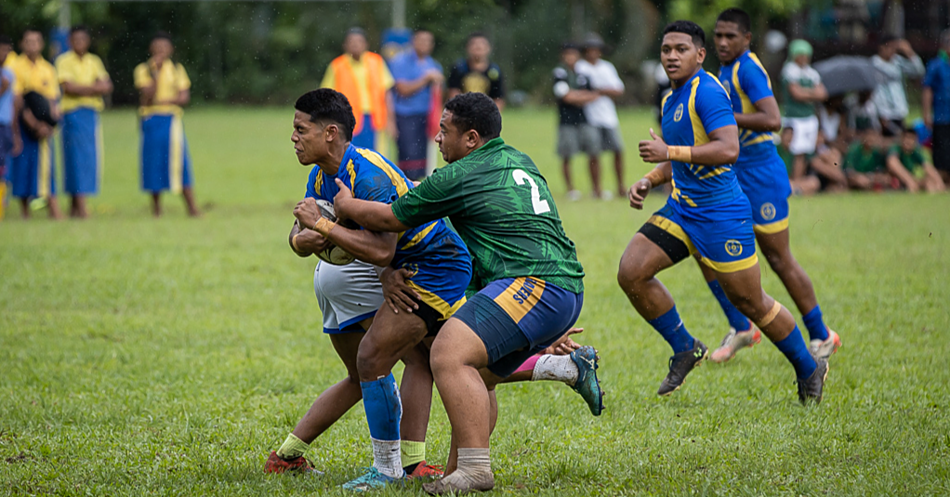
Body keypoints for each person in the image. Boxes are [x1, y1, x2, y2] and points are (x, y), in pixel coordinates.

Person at [332, 92, 589, 494]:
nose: (437, 138)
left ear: (470, 139)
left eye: (444, 131)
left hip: (532, 284)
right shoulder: (519, 160)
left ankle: (475, 471)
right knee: (478, 374)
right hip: (563, 287)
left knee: (447, 353)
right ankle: (458, 470)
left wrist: (343, 207)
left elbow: (391, 217)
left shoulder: (460, 175)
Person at [619, 21, 828, 404]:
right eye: (666, 49)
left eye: (681, 49)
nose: (671, 56)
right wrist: (650, 179)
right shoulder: (670, 99)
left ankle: (808, 365)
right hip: (682, 209)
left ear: (699, 55)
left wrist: (670, 153)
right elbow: (677, 159)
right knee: (632, 271)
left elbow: (728, 148)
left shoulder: (709, 92)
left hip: (721, 214)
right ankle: (685, 347)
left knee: (752, 302)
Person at [696, 9, 840, 365]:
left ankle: (822, 335)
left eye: (731, 36)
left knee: (778, 257)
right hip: (733, 171)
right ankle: (741, 326)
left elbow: (772, 118)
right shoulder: (724, 71)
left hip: (760, 172)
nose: (723, 42)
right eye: (719, 35)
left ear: (747, 39)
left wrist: (724, 118)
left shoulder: (747, 68)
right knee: (704, 248)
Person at [134, 32, 199, 217]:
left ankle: (192, 208)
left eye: (164, 47)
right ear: (151, 49)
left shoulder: (177, 69)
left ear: (171, 49)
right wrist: (156, 73)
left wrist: (165, 101)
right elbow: (147, 97)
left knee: (181, 162)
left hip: (172, 121)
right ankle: (156, 209)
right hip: (151, 120)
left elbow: (184, 97)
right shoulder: (143, 69)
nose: (161, 50)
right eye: (157, 47)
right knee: (153, 164)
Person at [55, 26, 112, 219]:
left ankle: (75, 206)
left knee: (88, 159)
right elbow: (69, 88)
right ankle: (81, 206)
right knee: (75, 158)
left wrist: (84, 89)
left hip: (90, 114)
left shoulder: (94, 61)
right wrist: (94, 88)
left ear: (88, 41)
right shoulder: (63, 61)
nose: (79, 43)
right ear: (69, 41)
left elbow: (107, 86)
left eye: (82, 39)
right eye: (75, 40)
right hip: (73, 114)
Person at [9, 29, 62, 219]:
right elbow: (18, 101)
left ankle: (52, 208)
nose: (32, 45)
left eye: (36, 41)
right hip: (23, 125)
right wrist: (33, 124)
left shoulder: (47, 68)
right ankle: (24, 211)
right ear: (22, 44)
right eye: (28, 41)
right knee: (24, 165)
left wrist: (50, 125)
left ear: (41, 44)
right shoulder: (15, 67)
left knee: (46, 167)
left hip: (44, 125)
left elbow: (53, 100)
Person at [320, 28, 395, 151]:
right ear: (345, 45)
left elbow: (387, 92)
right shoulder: (337, 66)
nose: (355, 44)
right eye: (351, 41)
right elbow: (327, 96)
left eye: (359, 41)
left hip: (373, 119)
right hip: (346, 119)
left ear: (366, 44)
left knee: (374, 156)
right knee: (348, 155)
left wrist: (391, 120)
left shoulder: (376, 62)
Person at [575, 33, 626, 199]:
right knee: (594, 153)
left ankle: (620, 187)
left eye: (596, 50)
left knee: (618, 150)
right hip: (589, 117)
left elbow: (619, 89)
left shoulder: (607, 67)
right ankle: (596, 189)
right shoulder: (580, 67)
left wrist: (599, 90)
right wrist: (599, 91)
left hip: (608, 116)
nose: (593, 53)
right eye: (590, 50)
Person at [388, 29, 442, 180]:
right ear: (413, 41)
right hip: (405, 116)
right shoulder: (399, 61)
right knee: (408, 157)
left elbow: (437, 97)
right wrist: (425, 79)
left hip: (426, 116)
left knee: (424, 158)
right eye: (421, 40)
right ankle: (404, 190)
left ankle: (420, 190)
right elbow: (402, 89)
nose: (424, 44)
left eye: (428, 41)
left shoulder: (434, 64)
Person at [553, 42, 600, 201]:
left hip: (584, 120)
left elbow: (593, 95)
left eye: (573, 54)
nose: (571, 58)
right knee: (567, 155)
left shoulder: (583, 74)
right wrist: (580, 97)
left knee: (594, 152)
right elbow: (564, 96)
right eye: (568, 54)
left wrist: (575, 96)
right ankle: (570, 189)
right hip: (566, 121)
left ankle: (596, 189)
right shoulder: (560, 73)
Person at [781, 39, 827, 188]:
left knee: (805, 152)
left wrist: (805, 93)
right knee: (795, 151)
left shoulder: (811, 72)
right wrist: (812, 93)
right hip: (795, 118)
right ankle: (793, 181)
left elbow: (823, 94)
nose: (804, 58)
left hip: (809, 118)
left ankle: (798, 182)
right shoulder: (790, 70)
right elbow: (796, 94)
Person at [872, 35, 924, 138]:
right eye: (891, 47)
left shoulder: (897, 62)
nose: (893, 51)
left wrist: (909, 52)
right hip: (883, 113)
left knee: (900, 143)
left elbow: (919, 71)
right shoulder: (873, 64)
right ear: (882, 47)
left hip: (899, 111)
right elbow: (872, 92)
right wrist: (877, 112)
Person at [447, 33, 505, 110]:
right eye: (474, 44)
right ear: (467, 48)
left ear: (488, 48)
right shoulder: (459, 68)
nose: (478, 47)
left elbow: (498, 99)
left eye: (482, 44)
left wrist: (489, 114)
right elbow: (453, 94)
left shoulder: (495, 71)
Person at [923, 29, 950, 183]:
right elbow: (927, 90)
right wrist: (926, 114)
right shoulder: (936, 65)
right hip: (942, 115)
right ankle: (941, 180)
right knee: (941, 151)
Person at [886, 127, 945, 193]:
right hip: (893, 180)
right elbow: (892, 162)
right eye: (907, 138)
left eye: (912, 139)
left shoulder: (915, 152)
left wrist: (939, 182)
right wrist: (909, 180)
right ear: (902, 138)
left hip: (909, 180)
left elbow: (928, 167)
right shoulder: (896, 148)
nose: (909, 141)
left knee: (929, 183)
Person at [0, 35, 18, 219]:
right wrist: (3, 89)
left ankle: (2, 207)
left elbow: (13, 105)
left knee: (3, 166)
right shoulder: (6, 80)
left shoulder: (9, 74)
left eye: (6, 50)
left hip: (5, 125)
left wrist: (16, 133)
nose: (3, 54)